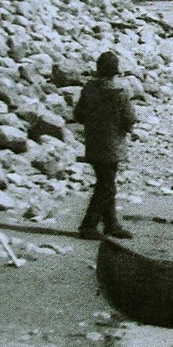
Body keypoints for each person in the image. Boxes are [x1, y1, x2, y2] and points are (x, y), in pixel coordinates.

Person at [72, 50, 136, 240]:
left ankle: (111, 224)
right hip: (112, 146)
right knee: (106, 186)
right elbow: (130, 119)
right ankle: (88, 225)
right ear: (115, 72)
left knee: (106, 183)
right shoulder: (120, 94)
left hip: (93, 144)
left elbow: (78, 115)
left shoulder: (89, 89)